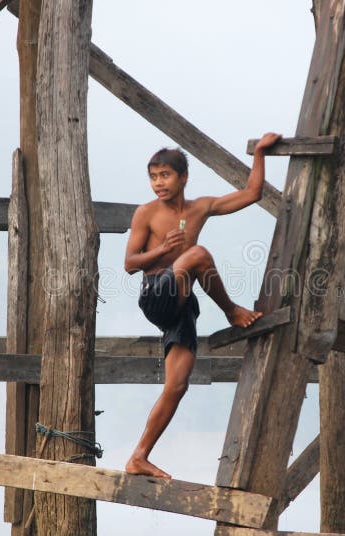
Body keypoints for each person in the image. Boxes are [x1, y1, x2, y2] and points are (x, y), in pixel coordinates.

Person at [123, 132, 282, 478]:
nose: (158, 183)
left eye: (164, 175)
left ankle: (139, 456)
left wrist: (258, 153)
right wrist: (165, 250)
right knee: (196, 254)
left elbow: (252, 194)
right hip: (155, 294)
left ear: (183, 178)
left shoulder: (201, 207)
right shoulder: (146, 214)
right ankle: (231, 310)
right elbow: (130, 263)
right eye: (152, 177)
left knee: (177, 385)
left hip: (181, 305)